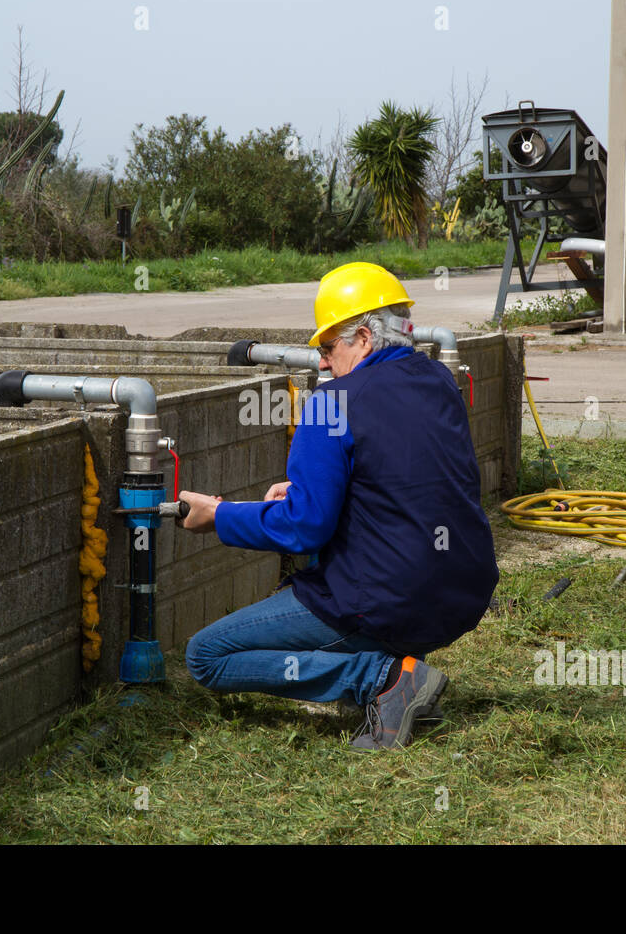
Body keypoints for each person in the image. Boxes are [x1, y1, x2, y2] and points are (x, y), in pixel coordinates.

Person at [178, 262, 499, 750]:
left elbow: (305, 529)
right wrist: (316, 487)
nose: (323, 364)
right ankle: (394, 670)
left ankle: (382, 681)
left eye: (328, 348)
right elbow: (404, 479)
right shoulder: (438, 381)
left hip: (390, 601)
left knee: (205, 655)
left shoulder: (332, 405)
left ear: (364, 339)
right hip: (460, 594)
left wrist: (218, 517)